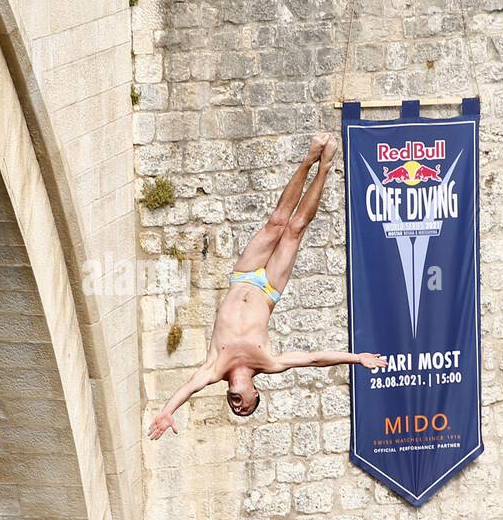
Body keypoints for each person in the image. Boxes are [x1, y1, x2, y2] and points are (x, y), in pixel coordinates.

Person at [148, 135, 386, 438]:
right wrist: (357, 358)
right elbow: (314, 359)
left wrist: (167, 411)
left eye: (235, 409)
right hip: (269, 288)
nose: (238, 407)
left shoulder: (214, 369)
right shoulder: (268, 362)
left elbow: (187, 388)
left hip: (244, 277)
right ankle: (322, 164)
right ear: (254, 392)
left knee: (276, 222)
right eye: (245, 407)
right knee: (292, 228)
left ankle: (314, 159)